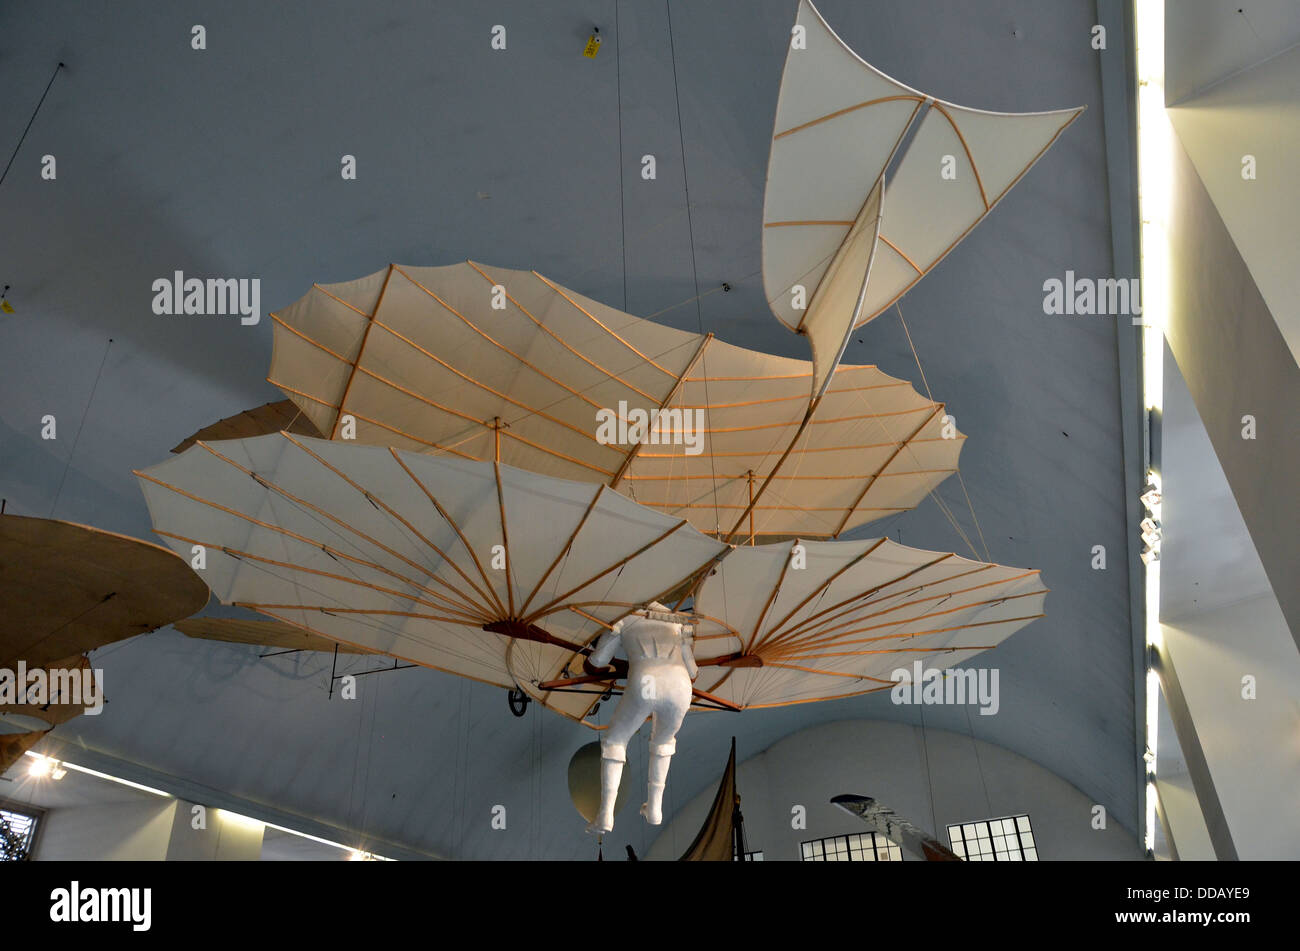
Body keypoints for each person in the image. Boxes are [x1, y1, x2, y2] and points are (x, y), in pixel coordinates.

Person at [585, 602, 698, 834]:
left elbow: (597, 663)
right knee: (664, 741)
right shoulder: (677, 620)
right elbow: (694, 672)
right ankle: (655, 808)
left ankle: (606, 814)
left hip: (645, 681)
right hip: (681, 685)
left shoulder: (625, 615)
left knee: (615, 741)